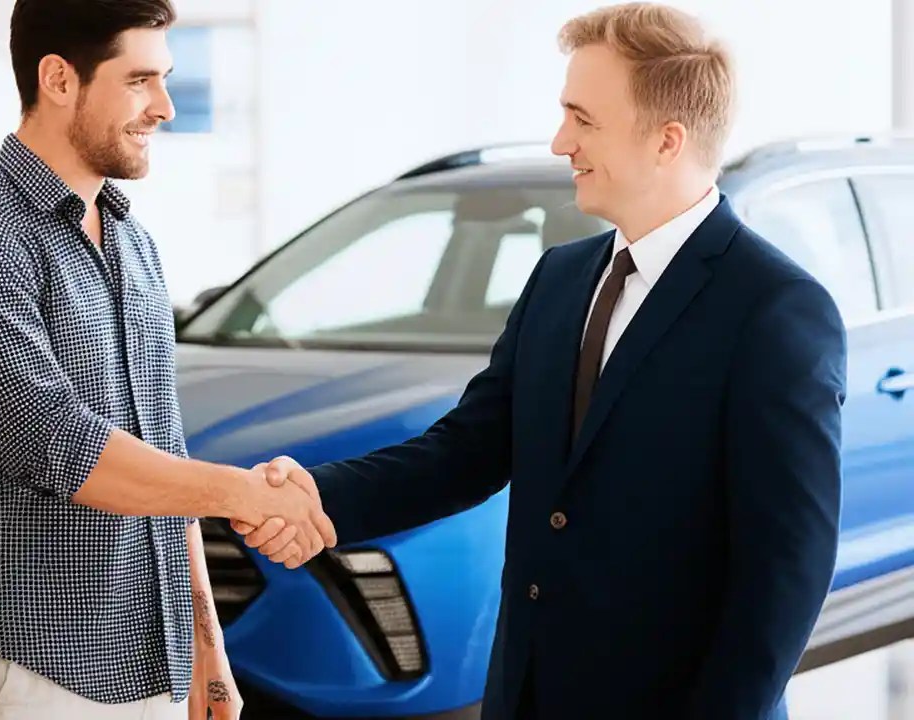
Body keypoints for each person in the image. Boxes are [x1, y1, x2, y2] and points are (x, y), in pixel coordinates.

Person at [240, 4, 844, 719]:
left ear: (666, 140)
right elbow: (467, 451)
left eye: (583, 119)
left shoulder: (775, 309)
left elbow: (787, 570)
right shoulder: (561, 278)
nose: (562, 142)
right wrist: (316, 495)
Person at [0, 1, 334, 718]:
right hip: (29, 672)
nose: (162, 106)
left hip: (146, 666)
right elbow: (54, 441)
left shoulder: (134, 242)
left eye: (163, 79)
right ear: (59, 79)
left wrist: (204, 642)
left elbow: (162, 444)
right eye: (138, 80)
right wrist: (244, 494)